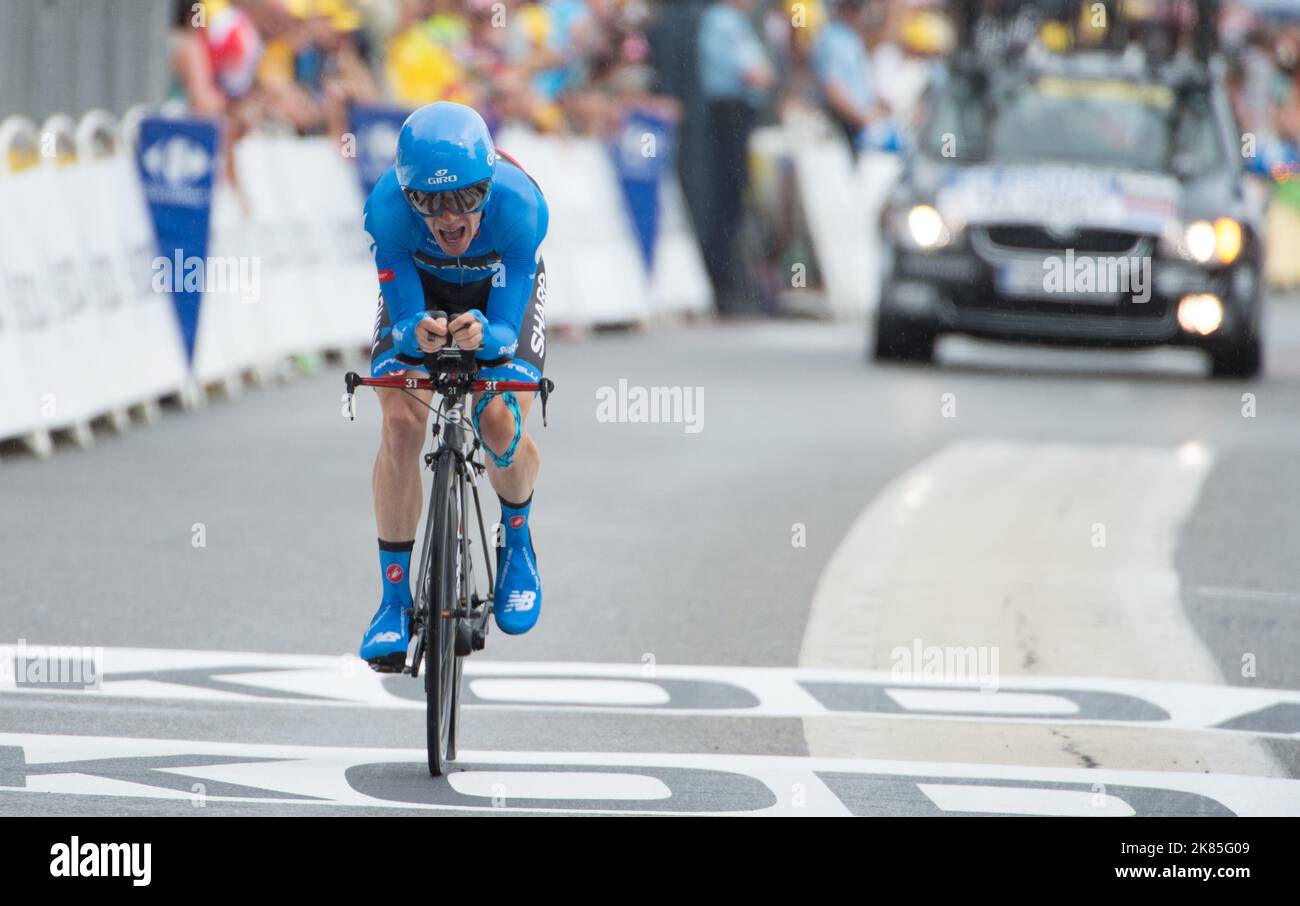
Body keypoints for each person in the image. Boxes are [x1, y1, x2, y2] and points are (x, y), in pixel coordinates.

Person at [359, 102, 550, 670]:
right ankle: (393, 602)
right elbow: (401, 321)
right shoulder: (386, 214)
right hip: (420, 291)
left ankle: (517, 540)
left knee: (496, 417)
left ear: (489, 186)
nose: (449, 219)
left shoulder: (522, 207)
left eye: (466, 198)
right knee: (399, 422)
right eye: (431, 202)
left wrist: (486, 337)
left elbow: (505, 332)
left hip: (496, 298)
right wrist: (411, 328)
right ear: (407, 196)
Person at [697, 0, 774, 314]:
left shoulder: (741, 23)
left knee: (737, 200)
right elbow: (752, 72)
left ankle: (736, 282)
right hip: (727, 115)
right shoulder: (721, 20)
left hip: (743, 115)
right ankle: (722, 284)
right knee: (725, 199)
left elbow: (765, 72)